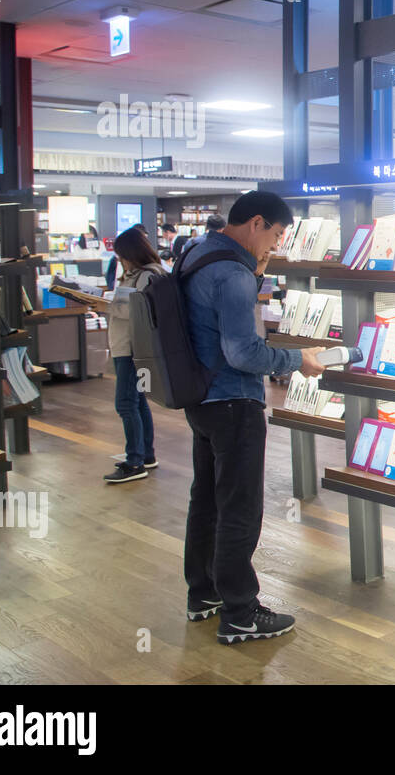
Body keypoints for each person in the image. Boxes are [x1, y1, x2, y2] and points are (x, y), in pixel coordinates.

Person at [181, 191, 326, 643]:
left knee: (206, 500)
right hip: (234, 404)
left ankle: (203, 593)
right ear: (257, 223)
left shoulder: (199, 254)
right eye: (277, 235)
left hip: (200, 399)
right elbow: (243, 351)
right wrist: (296, 360)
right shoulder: (232, 274)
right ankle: (241, 612)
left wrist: (256, 270)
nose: (276, 246)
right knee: (240, 509)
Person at [103, 227, 166, 484]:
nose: (121, 262)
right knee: (138, 401)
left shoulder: (145, 276)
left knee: (126, 403)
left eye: (122, 256)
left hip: (131, 349)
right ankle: (145, 455)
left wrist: (103, 305)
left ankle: (135, 460)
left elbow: (136, 311)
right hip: (130, 347)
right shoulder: (145, 274)